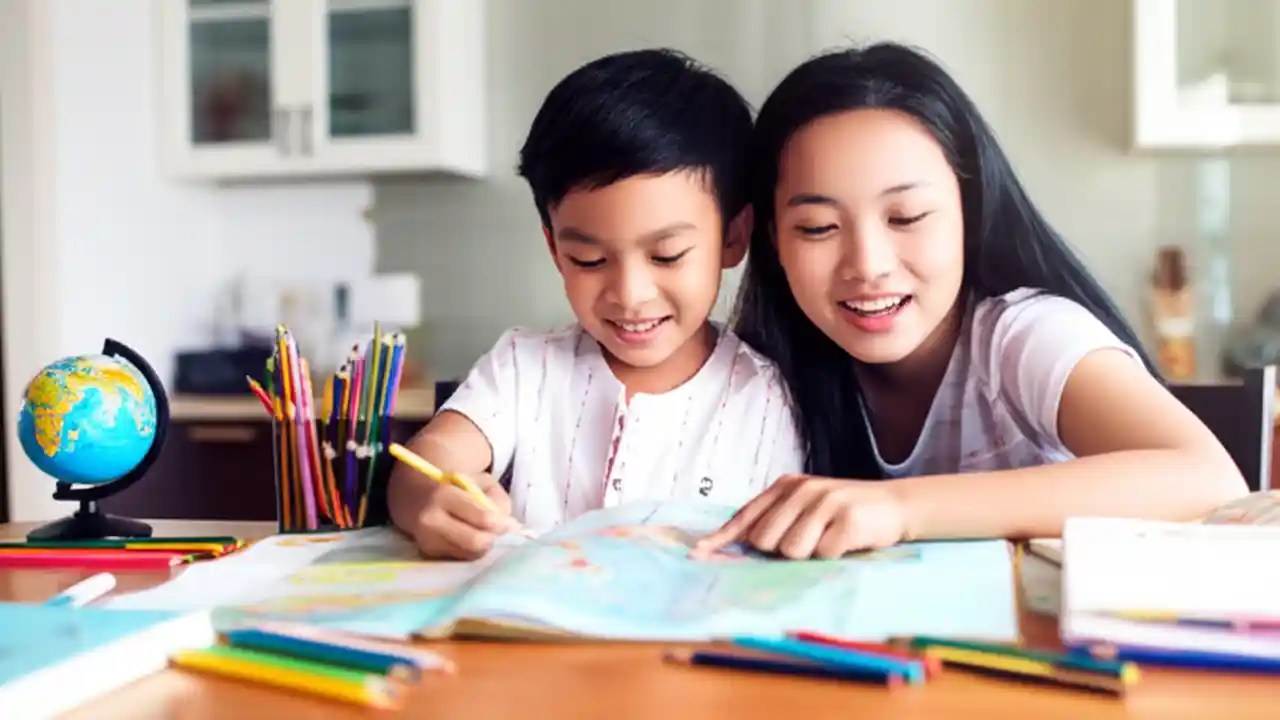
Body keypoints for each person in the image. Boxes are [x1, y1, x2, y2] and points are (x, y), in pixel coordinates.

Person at [692, 42, 1248, 561]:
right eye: (817, 227)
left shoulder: (1026, 336)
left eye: (906, 217)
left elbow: (1206, 478)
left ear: (969, 211)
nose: (867, 264)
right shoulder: (767, 374)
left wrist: (900, 508)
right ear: (772, 240)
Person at [389, 48, 803, 560]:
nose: (629, 294)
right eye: (588, 259)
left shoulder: (767, 398)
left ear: (732, 238)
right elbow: (423, 463)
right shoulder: (524, 368)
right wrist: (432, 498)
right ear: (554, 249)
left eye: (667, 255)